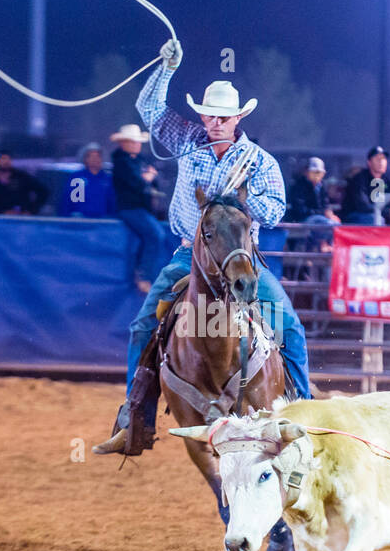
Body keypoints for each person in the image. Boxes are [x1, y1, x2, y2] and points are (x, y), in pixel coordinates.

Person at [94, 37, 310, 456]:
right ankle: (134, 419)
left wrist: (236, 202)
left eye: (222, 117)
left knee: (291, 328)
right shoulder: (188, 139)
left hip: (237, 260)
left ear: (237, 119)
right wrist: (166, 69)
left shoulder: (259, 161)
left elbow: (278, 206)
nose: (214, 123)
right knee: (144, 326)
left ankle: (305, 414)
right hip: (188, 257)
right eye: (210, 115)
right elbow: (149, 110)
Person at [110, 123, 165, 293]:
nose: (137, 145)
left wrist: (150, 178)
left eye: (137, 141)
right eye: (133, 142)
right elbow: (137, 183)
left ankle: (146, 274)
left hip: (142, 208)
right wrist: (147, 177)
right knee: (156, 235)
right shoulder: (121, 163)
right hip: (131, 208)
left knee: (154, 235)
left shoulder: (138, 161)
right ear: (123, 143)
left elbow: (150, 184)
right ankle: (144, 275)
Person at [340, 145, 390, 225]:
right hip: (354, 215)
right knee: (376, 219)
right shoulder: (359, 179)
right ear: (369, 162)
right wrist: (389, 212)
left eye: (383, 159)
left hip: (378, 213)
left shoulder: (385, 180)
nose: (381, 162)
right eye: (377, 159)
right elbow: (363, 206)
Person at [0, 149, 49, 215]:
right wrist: (2, 213)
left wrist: (31, 210)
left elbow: (43, 191)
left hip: (22, 220)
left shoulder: (22, 178)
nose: (6, 162)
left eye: (8, 159)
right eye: (3, 159)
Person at [59, 143, 117, 218]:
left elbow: (112, 201)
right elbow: (67, 201)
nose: (95, 159)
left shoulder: (108, 179)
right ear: (84, 159)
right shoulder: (77, 178)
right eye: (91, 156)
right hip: (80, 221)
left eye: (97, 156)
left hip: (102, 222)